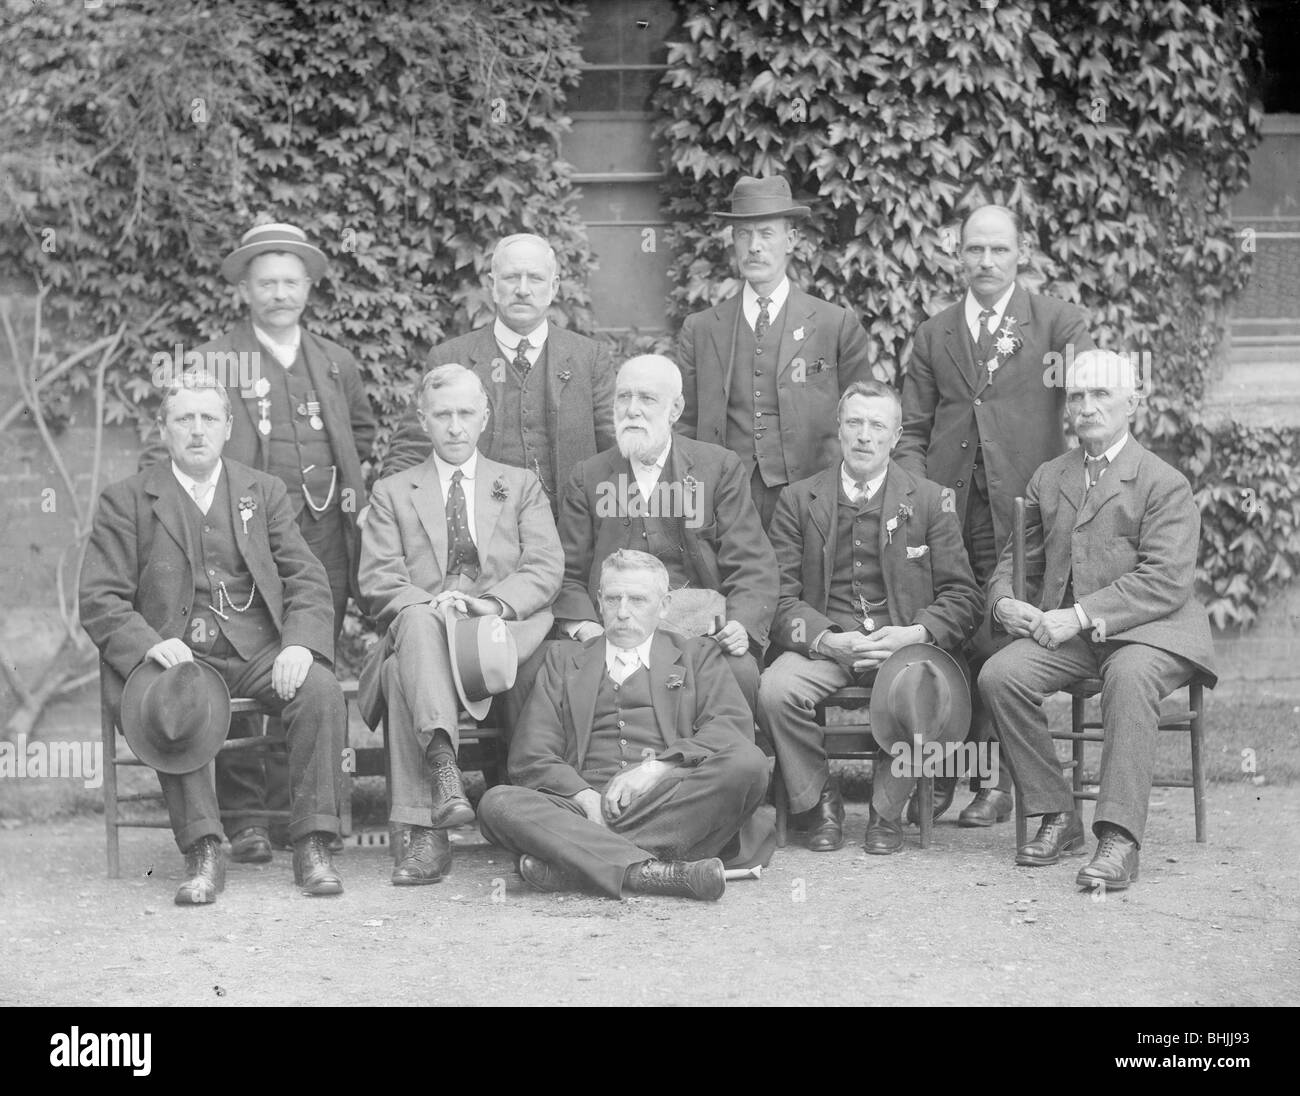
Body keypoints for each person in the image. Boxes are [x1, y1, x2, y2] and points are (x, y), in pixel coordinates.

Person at [143, 222, 376, 864]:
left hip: (321, 536)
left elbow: (358, 432)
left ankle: (298, 811)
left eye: (290, 282)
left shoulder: (335, 360)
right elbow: (178, 442)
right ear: (245, 288)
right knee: (234, 646)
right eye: (266, 282)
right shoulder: (217, 360)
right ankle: (247, 818)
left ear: (308, 288)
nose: (279, 293)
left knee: (302, 663)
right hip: (238, 536)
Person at [80, 375, 347, 903]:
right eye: (184, 419)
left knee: (320, 690)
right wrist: (148, 643)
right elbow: (99, 598)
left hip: (257, 650)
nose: (196, 431)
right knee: (173, 698)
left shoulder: (262, 491)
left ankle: (312, 842)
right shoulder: (126, 501)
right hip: (177, 654)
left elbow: (307, 579)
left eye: (208, 419)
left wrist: (298, 644)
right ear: (163, 429)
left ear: (227, 428)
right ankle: (203, 850)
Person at [979, 350, 1216, 891]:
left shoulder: (1163, 482)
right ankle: (1058, 815)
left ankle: (1119, 839)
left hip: (1152, 630)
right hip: (1076, 634)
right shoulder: (1052, 476)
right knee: (1000, 675)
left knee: (1129, 677)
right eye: (1078, 395)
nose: (1087, 406)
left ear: (1132, 402)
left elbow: (1166, 580)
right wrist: (1003, 602)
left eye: (1101, 394)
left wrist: (1080, 614)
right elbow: (1018, 560)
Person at [896, 204, 1094, 827]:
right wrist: (921, 498)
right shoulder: (935, 333)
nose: (985, 262)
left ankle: (995, 783)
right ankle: (936, 774)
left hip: (1027, 515)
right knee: (952, 632)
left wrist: (1064, 492)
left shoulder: (1059, 323)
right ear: (958, 254)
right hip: (950, 513)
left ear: (1020, 253)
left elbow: (1091, 410)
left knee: (1003, 638)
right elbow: (913, 429)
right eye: (974, 250)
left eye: (998, 250)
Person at [357, 364, 564, 886]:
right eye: (442, 415)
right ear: (423, 420)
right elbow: (379, 580)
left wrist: (489, 604)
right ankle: (442, 787)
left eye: (465, 414)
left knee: (404, 667)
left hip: (499, 633)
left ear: (484, 417)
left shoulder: (519, 486)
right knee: (413, 635)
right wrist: (436, 606)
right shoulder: (393, 492)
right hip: (427, 627)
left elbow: (545, 567)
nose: (454, 427)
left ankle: (450, 818)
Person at [757, 381, 983, 853]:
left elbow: (964, 597)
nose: (864, 435)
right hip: (826, 644)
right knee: (774, 691)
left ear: (896, 436)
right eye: (854, 423)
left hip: (901, 646)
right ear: (838, 429)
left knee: (923, 687)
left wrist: (914, 633)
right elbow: (777, 599)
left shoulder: (930, 500)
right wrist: (824, 638)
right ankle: (820, 801)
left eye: (876, 425)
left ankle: (887, 811)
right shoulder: (799, 500)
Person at [476, 550, 774, 901]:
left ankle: (579, 863)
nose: (623, 611)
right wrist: (586, 800)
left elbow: (728, 730)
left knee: (747, 764)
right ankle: (657, 871)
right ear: (599, 601)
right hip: (584, 808)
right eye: (613, 598)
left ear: (663, 606)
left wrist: (655, 768)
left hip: (670, 800)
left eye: (637, 600)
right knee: (496, 804)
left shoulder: (697, 656)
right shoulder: (562, 660)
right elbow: (532, 755)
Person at [554, 354, 777, 712]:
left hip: (698, 629)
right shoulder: (589, 477)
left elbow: (752, 564)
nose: (632, 410)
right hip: (615, 628)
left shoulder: (717, 468)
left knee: (740, 672)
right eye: (623, 398)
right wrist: (587, 630)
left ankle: (725, 765)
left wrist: (740, 625)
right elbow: (568, 574)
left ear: (675, 409)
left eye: (647, 398)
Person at [675, 175, 872, 528]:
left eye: (766, 233)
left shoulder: (834, 324)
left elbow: (863, 419)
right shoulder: (700, 329)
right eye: (743, 235)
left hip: (812, 502)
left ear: (791, 240)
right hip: (726, 503)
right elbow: (685, 428)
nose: (754, 246)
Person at [381, 233, 615, 510]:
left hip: (569, 532)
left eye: (535, 279)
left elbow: (614, 449)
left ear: (553, 287)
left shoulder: (589, 358)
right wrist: (387, 505)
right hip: (479, 530)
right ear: (493, 285)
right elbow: (413, 447)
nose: (523, 289)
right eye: (511, 277)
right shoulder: (451, 357)